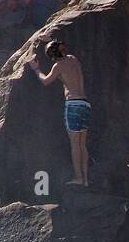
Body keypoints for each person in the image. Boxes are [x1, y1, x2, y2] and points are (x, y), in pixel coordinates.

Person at [34, 39, 90, 187]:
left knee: (74, 144)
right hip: (84, 103)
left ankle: (78, 178)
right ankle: (85, 179)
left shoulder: (58, 66)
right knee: (82, 144)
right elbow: (68, 78)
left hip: (73, 104)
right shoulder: (73, 59)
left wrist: (36, 69)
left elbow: (45, 81)